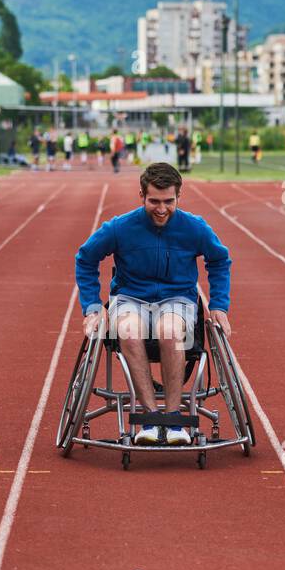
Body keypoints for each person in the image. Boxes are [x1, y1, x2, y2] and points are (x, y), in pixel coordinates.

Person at [75, 162, 232, 447]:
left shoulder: (194, 228)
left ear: (178, 198)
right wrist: (92, 307)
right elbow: (85, 259)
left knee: (170, 331)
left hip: (177, 299)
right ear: (142, 197)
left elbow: (219, 261)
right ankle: (149, 417)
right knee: (128, 330)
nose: (162, 209)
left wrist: (219, 305)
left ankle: (173, 420)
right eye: (154, 202)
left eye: (168, 202)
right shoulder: (120, 227)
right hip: (130, 299)